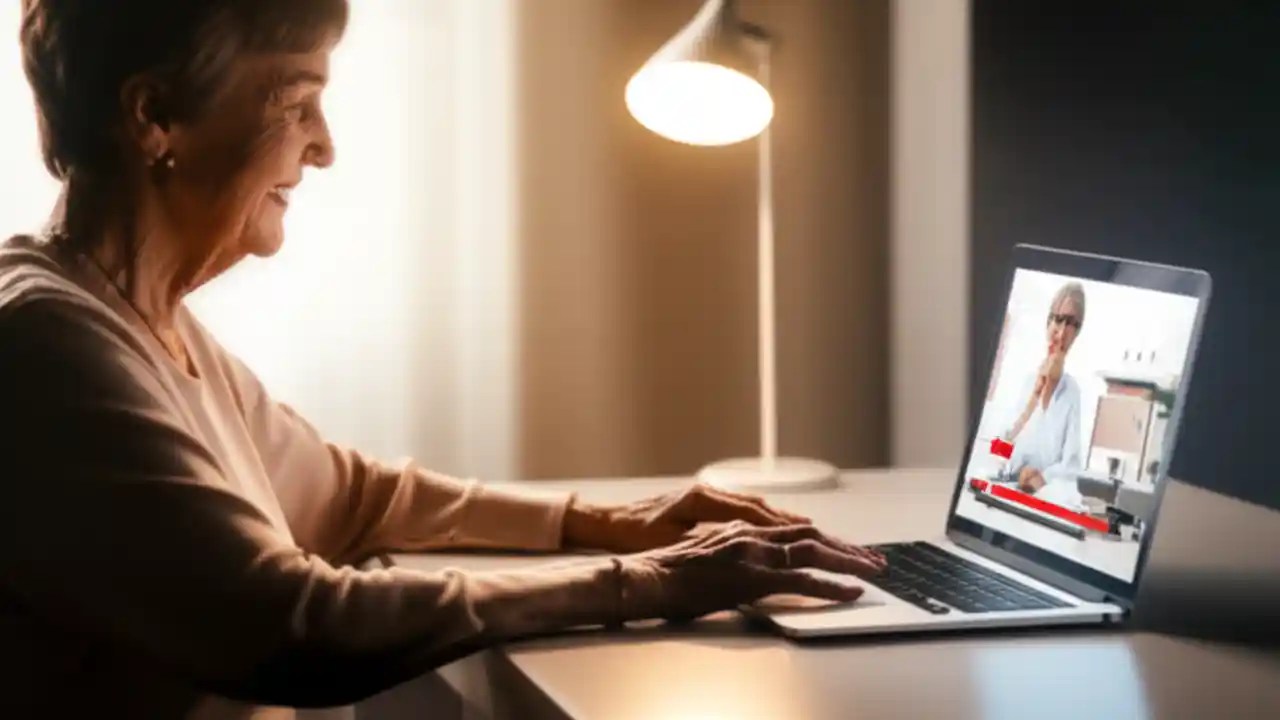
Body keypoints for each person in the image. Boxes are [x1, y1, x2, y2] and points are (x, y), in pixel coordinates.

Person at [0, 2, 885, 717]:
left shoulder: (142, 319)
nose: (323, 145)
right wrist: (639, 582)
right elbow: (290, 626)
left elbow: (349, 496)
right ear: (154, 116)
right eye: (295, 99)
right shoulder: (47, 347)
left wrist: (602, 520)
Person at [1003, 282, 1086, 499]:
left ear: (1076, 332)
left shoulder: (1072, 393)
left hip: (1041, 498)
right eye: (1056, 318)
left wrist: (1043, 478)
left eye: (1070, 322)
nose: (1060, 329)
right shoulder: (1026, 381)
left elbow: (1071, 468)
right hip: (1008, 489)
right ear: (1048, 323)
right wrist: (1033, 399)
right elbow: (998, 449)